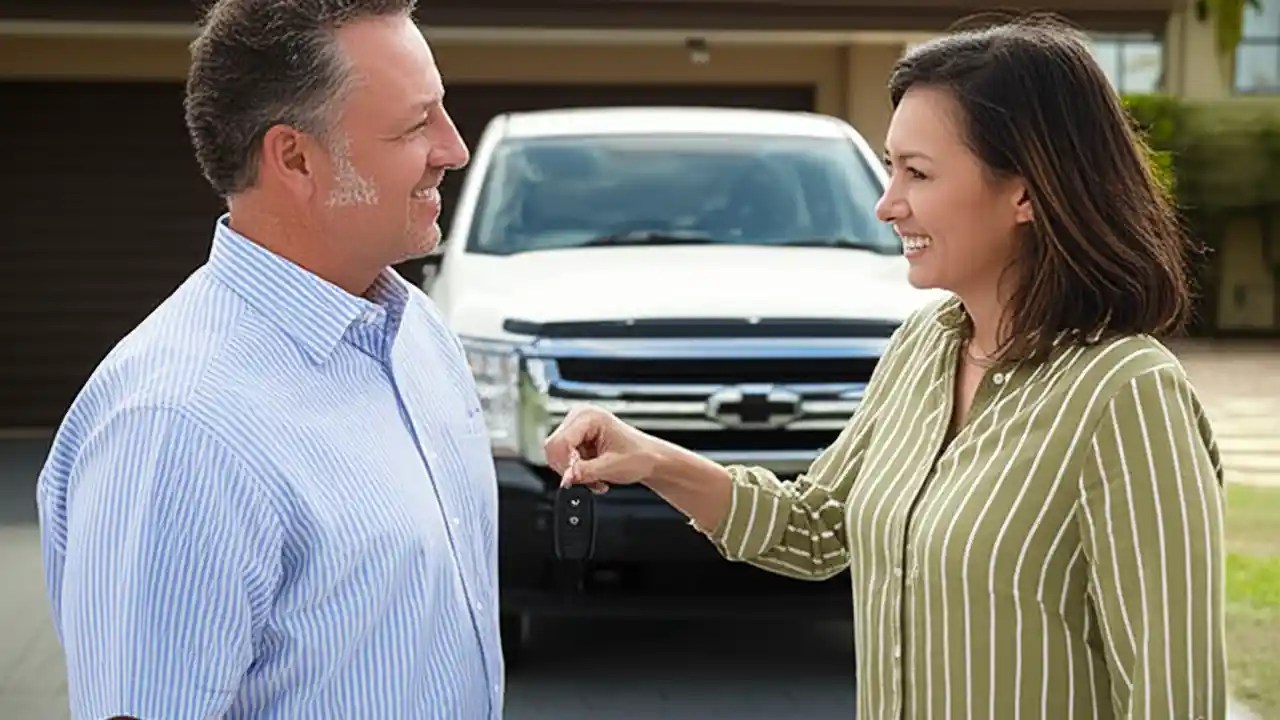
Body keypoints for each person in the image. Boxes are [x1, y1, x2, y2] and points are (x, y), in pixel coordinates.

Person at [547, 14, 1227, 720]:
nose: (886, 204)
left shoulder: (1127, 394)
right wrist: (650, 459)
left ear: (1027, 192)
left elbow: (1174, 693)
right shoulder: (922, 347)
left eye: (918, 173)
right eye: (889, 167)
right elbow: (816, 527)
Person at [34, 1, 501, 718]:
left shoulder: (418, 335)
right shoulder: (180, 429)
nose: (454, 149)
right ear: (295, 158)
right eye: (416, 125)